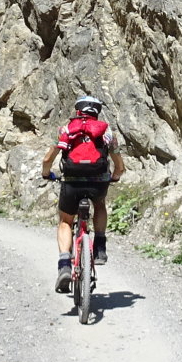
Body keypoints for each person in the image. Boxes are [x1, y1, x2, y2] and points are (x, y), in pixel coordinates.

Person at [41, 95, 126, 293]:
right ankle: (100, 248)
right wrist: (115, 176)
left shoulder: (66, 130)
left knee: (65, 222)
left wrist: (46, 173)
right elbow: (119, 164)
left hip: (71, 183)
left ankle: (64, 266)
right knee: (100, 205)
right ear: (97, 111)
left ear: (78, 111)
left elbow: (48, 159)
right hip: (98, 183)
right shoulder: (106, 131)